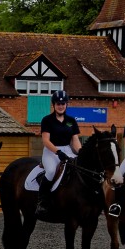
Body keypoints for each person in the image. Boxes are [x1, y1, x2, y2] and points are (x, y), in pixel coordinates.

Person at [35, 90, 81, 218]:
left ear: (67, 104)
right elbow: (45, 140)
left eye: (63, 103)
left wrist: (80, 152)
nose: (60, 106)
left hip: (67, 149)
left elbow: (75, 139)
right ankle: (42, 201)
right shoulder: (47, 120)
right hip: (51, 151)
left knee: (78, 168)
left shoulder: (71, 121)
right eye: (58, 103)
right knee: (50, 171)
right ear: (54, 105)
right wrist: (57, 152)